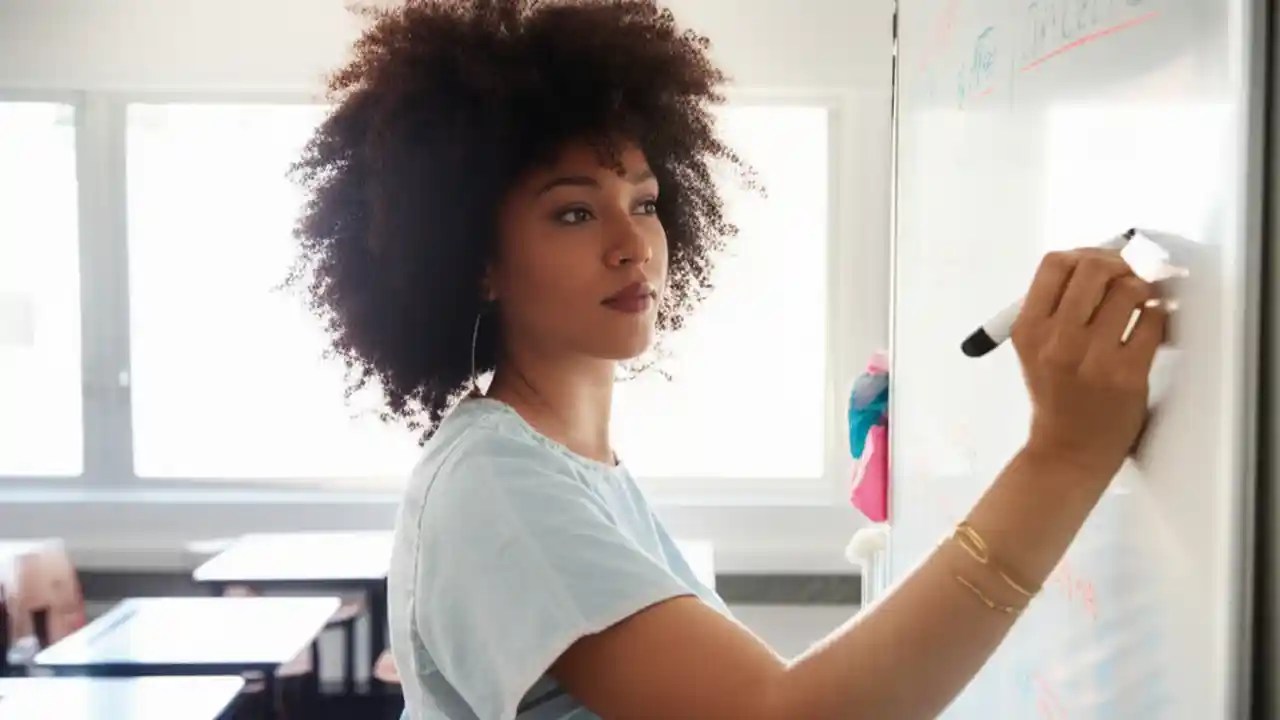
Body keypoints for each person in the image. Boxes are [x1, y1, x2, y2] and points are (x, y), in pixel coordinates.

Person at [289, 1, 1168, 717]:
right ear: (472, 259)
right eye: (573, 212)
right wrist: (1064, 455)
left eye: (643, 200)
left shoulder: (572, 467)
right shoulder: (492, 480)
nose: (634, 244)